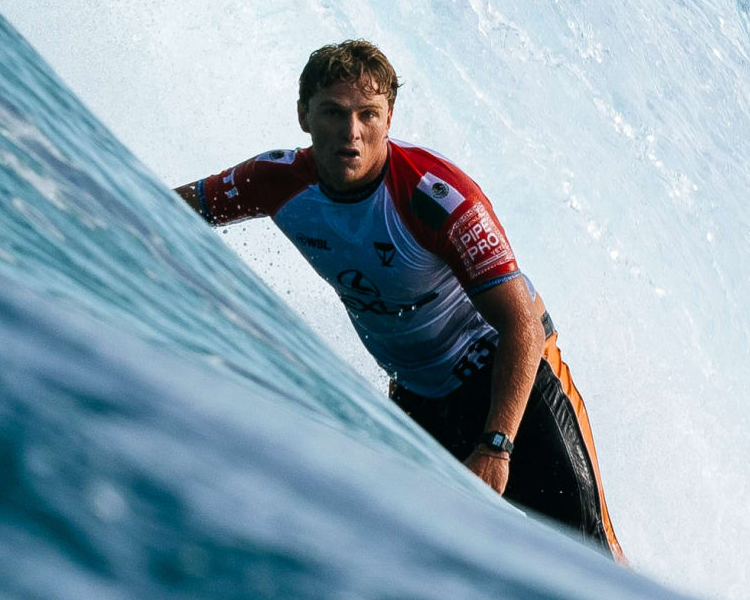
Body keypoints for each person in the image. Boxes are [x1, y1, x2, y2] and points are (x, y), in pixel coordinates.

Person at [175, 40, 621, 557]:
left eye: (368, 114)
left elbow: (521, 323)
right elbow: (168, 206)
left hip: (512, 379)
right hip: (417, 396)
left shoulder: (436, 198)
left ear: (389, 119)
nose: (351, 132)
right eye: (333, 112)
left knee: (591, 553)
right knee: (414, 555)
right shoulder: (275, 181)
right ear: (303, 115)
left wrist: (497, 445)